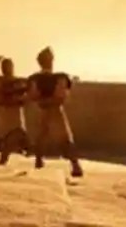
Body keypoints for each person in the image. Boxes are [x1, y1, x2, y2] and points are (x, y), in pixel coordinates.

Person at [28, 47, 84, 178]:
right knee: (64, 139)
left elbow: (33, 95)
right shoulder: (59, 77)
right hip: (54, 111)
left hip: (42, 110)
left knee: (41, 137)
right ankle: (75, 165)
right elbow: (61, 96)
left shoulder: (36, 78)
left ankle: (39, 162)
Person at [0, 56, 29, 164]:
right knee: (10, 136)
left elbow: (25, 94)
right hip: (6, 112)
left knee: (17, 134)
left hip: (16, 112)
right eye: (6, 66)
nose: (8, 69)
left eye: (9, 66)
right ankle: (5, 157)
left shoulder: (18, 81)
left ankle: (25, 150)